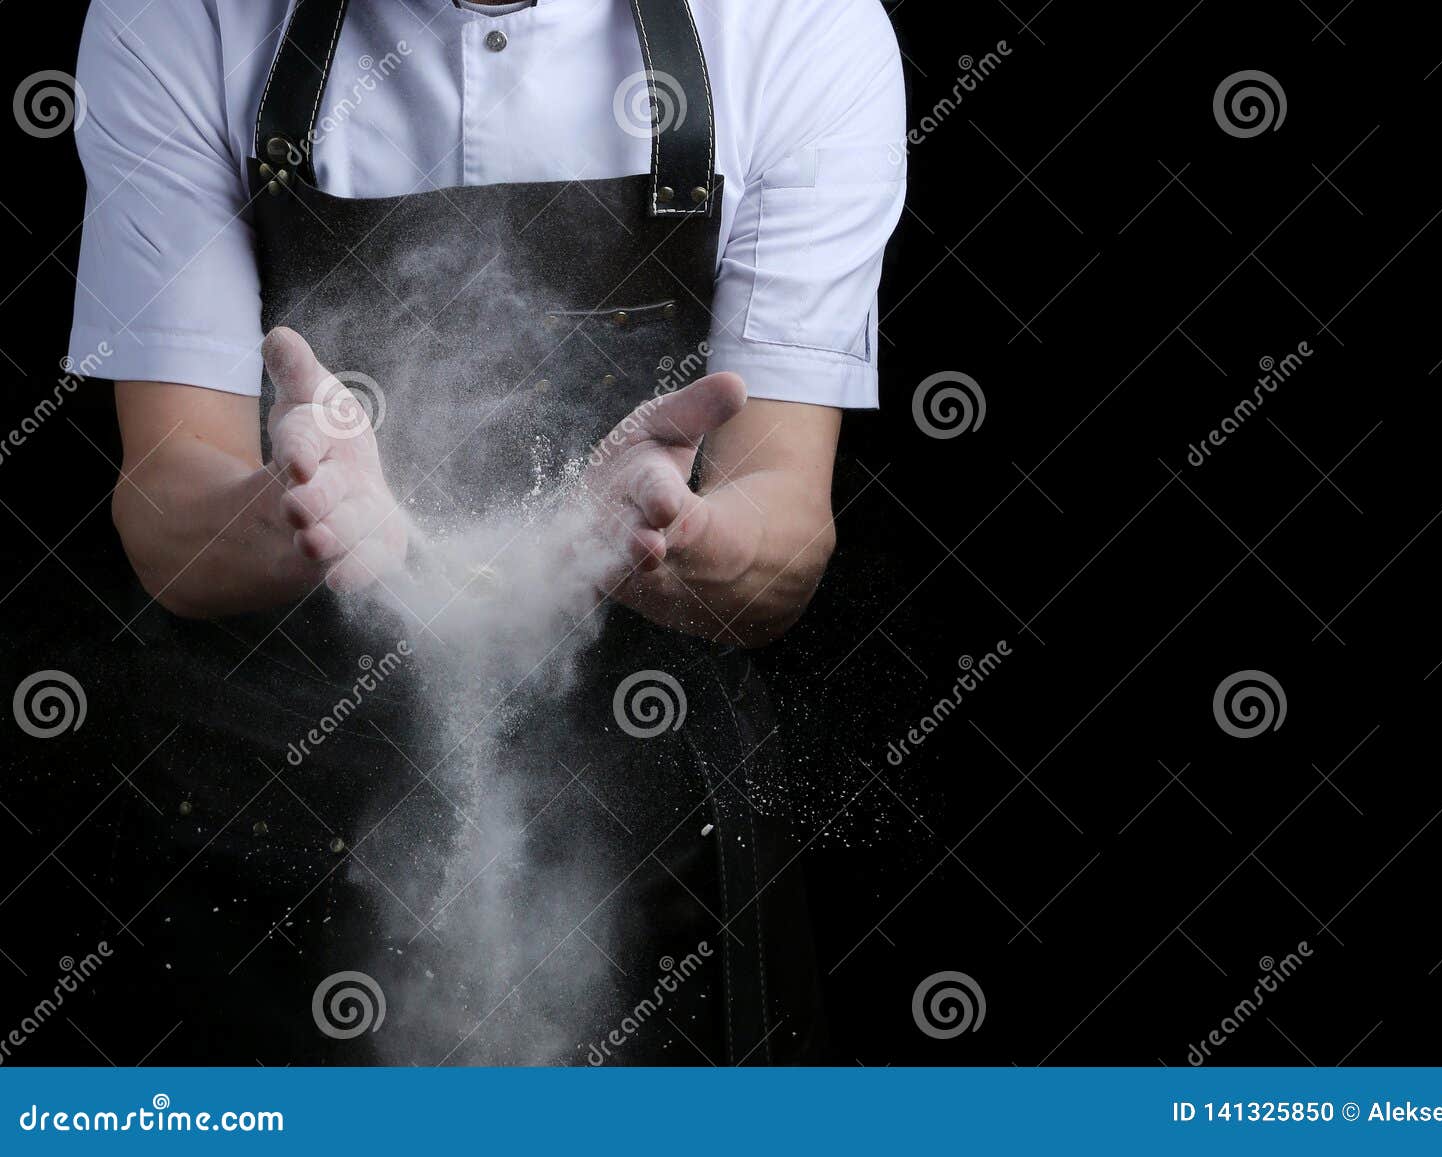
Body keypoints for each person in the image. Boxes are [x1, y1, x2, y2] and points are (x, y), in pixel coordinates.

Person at [61, 0, 905, 1065]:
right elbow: (165, 508)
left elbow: (782, 532)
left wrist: (669, 538)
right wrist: (292, 513)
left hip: (656, 851)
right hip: (266, 847)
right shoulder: (179, 16)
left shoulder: (796, 23)